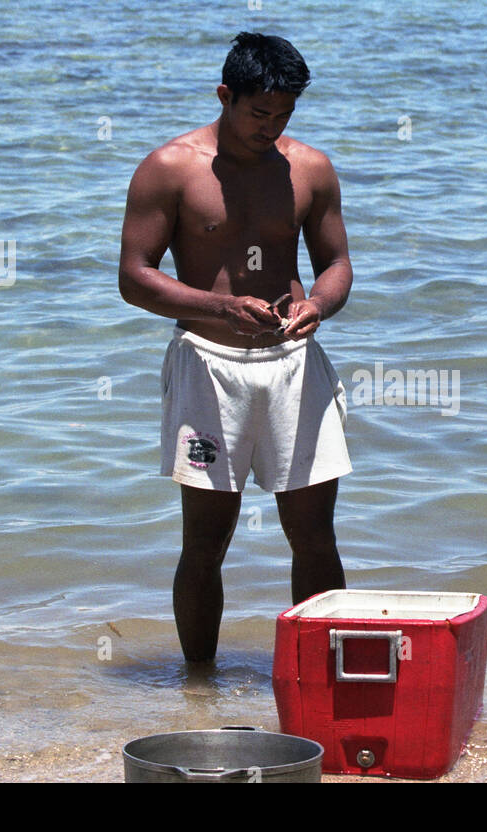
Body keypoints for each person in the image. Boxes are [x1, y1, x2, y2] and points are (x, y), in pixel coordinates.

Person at [118, 32, 353, 663]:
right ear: (225, 95)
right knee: (206, 541)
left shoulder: (308, 167)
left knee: (314, 537)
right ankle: (198, 688)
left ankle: (319, 679)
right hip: (207, 365)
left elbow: (337, 264)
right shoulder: (170, 168)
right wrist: (219, 306)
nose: (270, 127)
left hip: (294, 365)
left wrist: (318, 305)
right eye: (258, 113)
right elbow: (134, 276)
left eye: (284, 115)